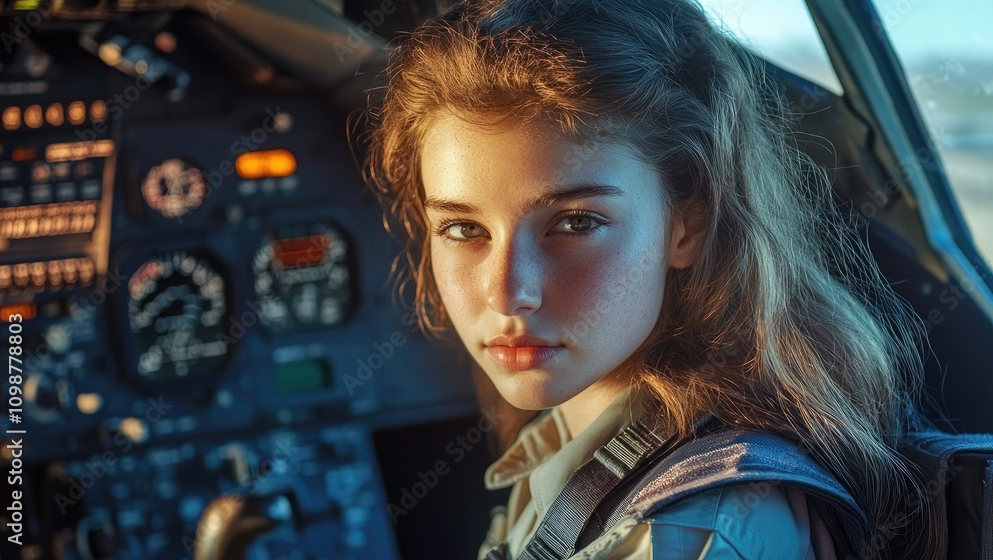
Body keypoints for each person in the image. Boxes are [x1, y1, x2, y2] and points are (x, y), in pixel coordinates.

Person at [360, 0, 938, 557]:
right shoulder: (578, 450)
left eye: (575, 222)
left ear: (687, 225)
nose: (508, 292)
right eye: (463, 229)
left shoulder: (688, 529)